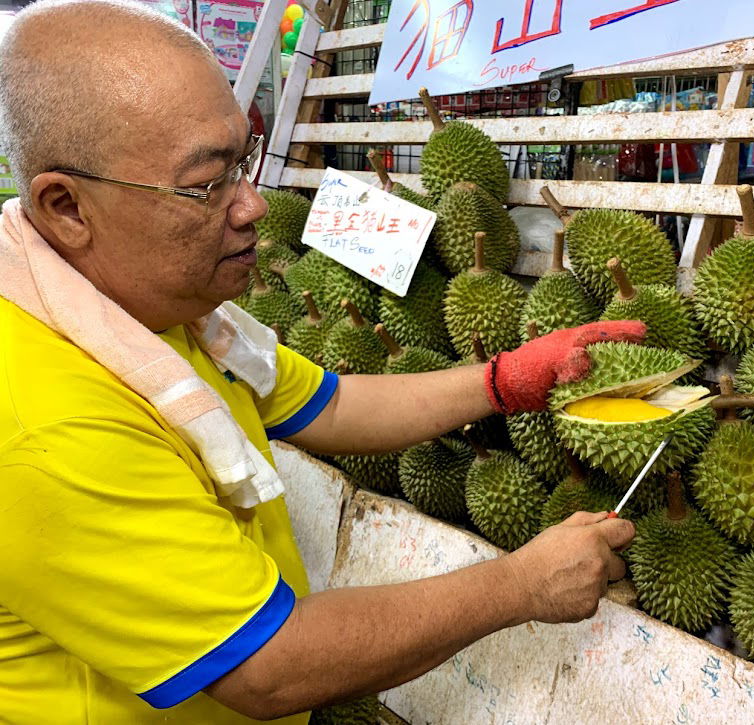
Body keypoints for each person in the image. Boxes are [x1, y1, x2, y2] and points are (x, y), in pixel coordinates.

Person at [0, 1, 641, 722]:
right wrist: (520, 585)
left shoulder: (156, 312)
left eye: (243, 161)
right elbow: (267, 667)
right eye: (206, 184)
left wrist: (504, 379)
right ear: (66, 207)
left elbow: (331, 403)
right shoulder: (45, 429)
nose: (252, 206)